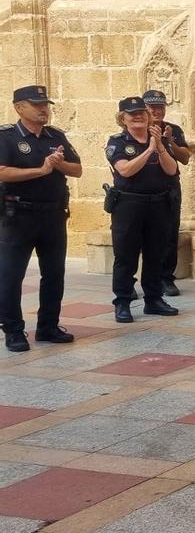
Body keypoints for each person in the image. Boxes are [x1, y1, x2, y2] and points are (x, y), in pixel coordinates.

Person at [0, 85, 81, 351]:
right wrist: (41, 170)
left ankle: (48, 326)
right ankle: (13, 330)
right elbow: (2, 172)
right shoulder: (7, 138)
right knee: (11, 275)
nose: (43, 109)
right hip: (18, 216)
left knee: (54, 274)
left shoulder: (54, 136)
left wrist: (57, 164)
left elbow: (77, 169)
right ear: (19, 107)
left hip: (53, 215)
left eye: (45, 104)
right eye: (36, 104)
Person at [105, 96, 180, 323]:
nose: (138, 117)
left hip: (158, 204)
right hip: (129, 205)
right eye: (132, 114)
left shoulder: (159, 139)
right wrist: (149, 150)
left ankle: (154, 299)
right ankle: (123, 302)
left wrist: (159, 147)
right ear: (123, 119)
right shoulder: (116, 142)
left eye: (141, 113)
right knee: (125, 256)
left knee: (155, 254)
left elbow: (171, 170)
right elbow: (126, 170)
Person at [143, 90, 189, 297]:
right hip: (145, 188)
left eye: (160, 107)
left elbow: (185, 158)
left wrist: (170, 141)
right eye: (152, 107)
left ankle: (166, 278)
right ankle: (139, 279)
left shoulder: (174, 130)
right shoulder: (137, 129)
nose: (157, 111)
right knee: (142, 235)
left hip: (169, 187)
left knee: (170, 233)